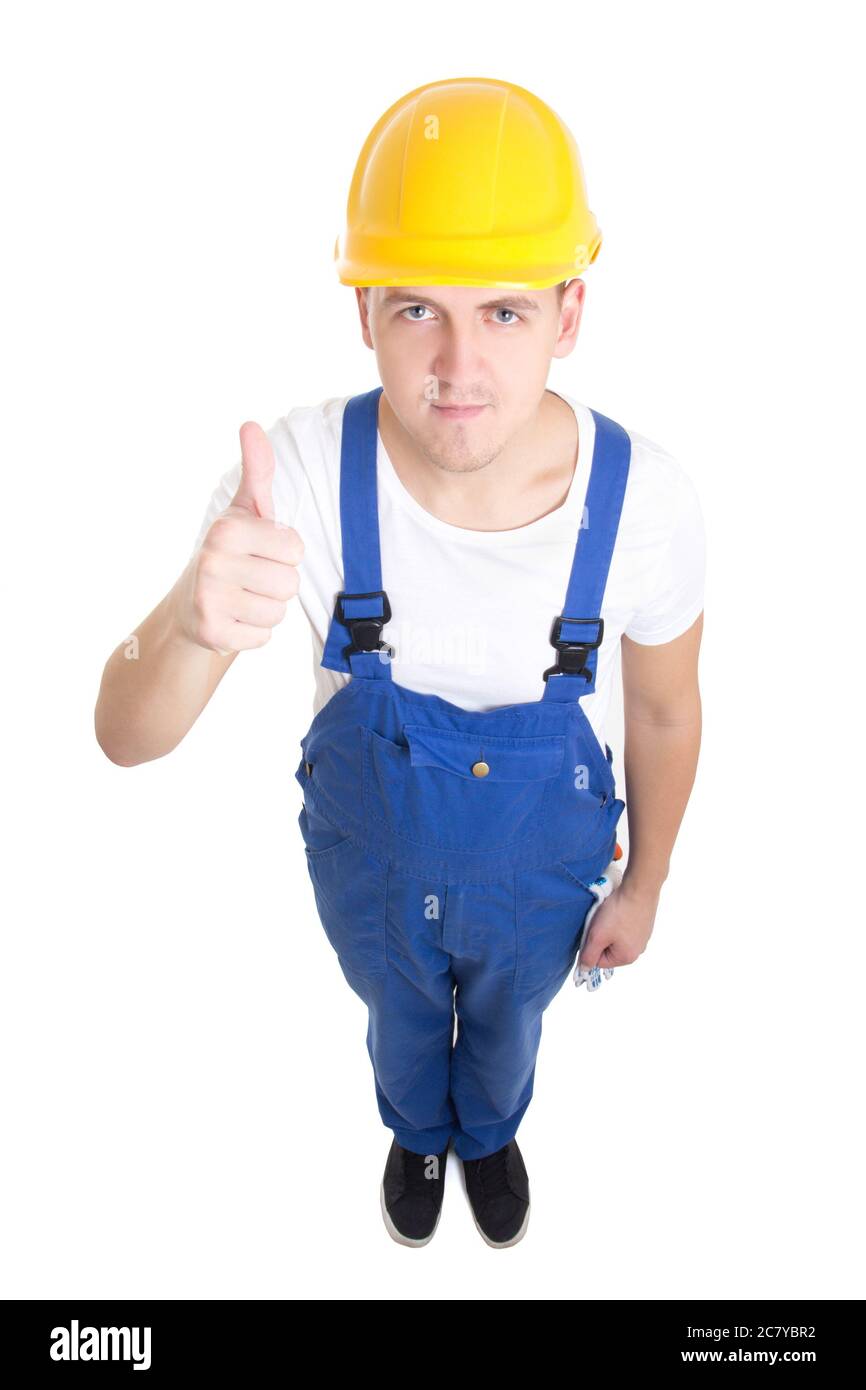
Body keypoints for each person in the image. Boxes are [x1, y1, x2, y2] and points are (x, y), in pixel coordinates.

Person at [95, 76, 705, 1250]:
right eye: (418, 309)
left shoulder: (647, 505)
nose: (458, 365)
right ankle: (415, 1124)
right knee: (402, 1014)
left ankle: (487, 1128)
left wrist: (645, 884)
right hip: (368, 875)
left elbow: (667, 716)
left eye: (506, 313)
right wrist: (187, 622)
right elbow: (124, 736)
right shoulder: (299, 480)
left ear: (569, 313)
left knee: (510, 1023)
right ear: (362, 310)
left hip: (544, 892)